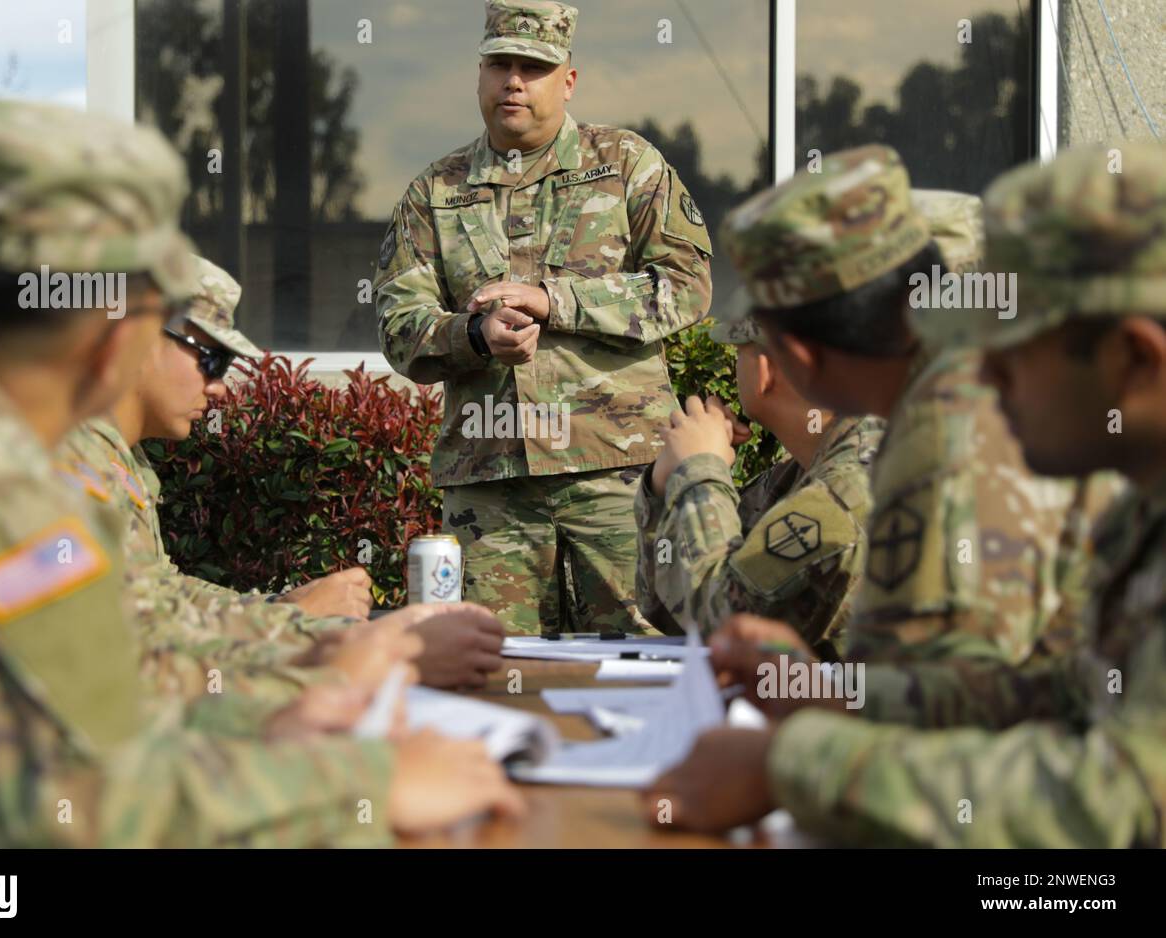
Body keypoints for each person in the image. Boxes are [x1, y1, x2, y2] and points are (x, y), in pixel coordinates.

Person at [0, 97, 522, 847]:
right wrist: (368, 784)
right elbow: (72, 811)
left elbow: (77, 714)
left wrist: (276, 709)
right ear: (117, 331)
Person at [644, 142, 1166, 847]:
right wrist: (836, 695)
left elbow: (1126, 801)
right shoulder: (1144, 499)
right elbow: (1063, 696)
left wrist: (790, 766)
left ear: (1135, 360)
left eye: (1007, 354)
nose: (983, 384)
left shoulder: (957, 449)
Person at [374, 0, 713, 634]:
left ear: (569, 80)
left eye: (533, 66)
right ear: (478, 74)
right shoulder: (435, 191)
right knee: (488, 670)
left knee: (645, 659)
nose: (514, 81)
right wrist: (473, 334)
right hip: (491, 483)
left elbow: (687, 287)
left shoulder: (627, 166)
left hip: (617, 475)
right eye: (500, 63)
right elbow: (399, 325)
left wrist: (555, 301)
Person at [62, 257, 506, 692]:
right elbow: (127, 638)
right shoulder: (69, 463)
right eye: (211, 359)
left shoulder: (119, 457)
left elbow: (159, 595)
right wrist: (306, 629)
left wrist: (282, 607)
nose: (218, 386)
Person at [634, 301, 882, 658]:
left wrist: (700, 470)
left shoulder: (853, 486)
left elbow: (731, 629)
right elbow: (678, 610)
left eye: (739, 352)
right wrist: (665, 485)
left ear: (766, 369)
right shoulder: (803, 471)